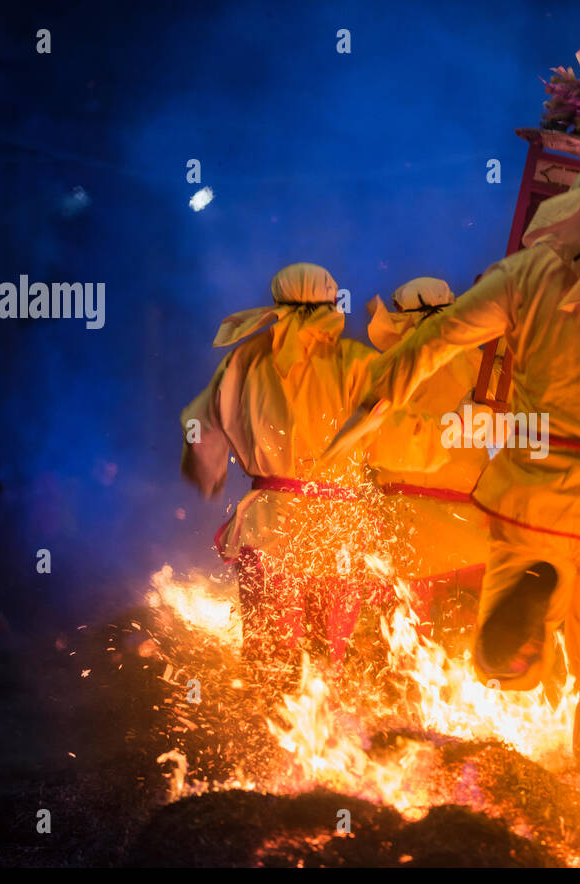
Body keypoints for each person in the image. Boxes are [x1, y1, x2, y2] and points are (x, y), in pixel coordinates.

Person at [327, 162, 580, 770]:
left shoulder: (526, 274)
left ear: (569, 210)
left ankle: (524, 609)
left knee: (506, 654)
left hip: (535, 499)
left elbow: (440, 338)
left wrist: (373, 403)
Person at [179, 263, 443, 686]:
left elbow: (200, 424)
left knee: (270, 657)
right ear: (331, 300)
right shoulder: (358, 363)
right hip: (338, 534)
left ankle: (268, 738)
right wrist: (444, 444)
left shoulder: (245, 360)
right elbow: (394, 433)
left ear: (278, 300)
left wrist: (207, 472)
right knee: (326, 661)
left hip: (270, 528)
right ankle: (321, 742)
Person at [365, 278, 490, 639]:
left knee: (409, 652)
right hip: (474, 539)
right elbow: (515, 428)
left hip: (407, 540)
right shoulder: (480, 365)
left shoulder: (389, 368)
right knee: (469, 654)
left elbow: (367, 443)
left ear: (404, 316)